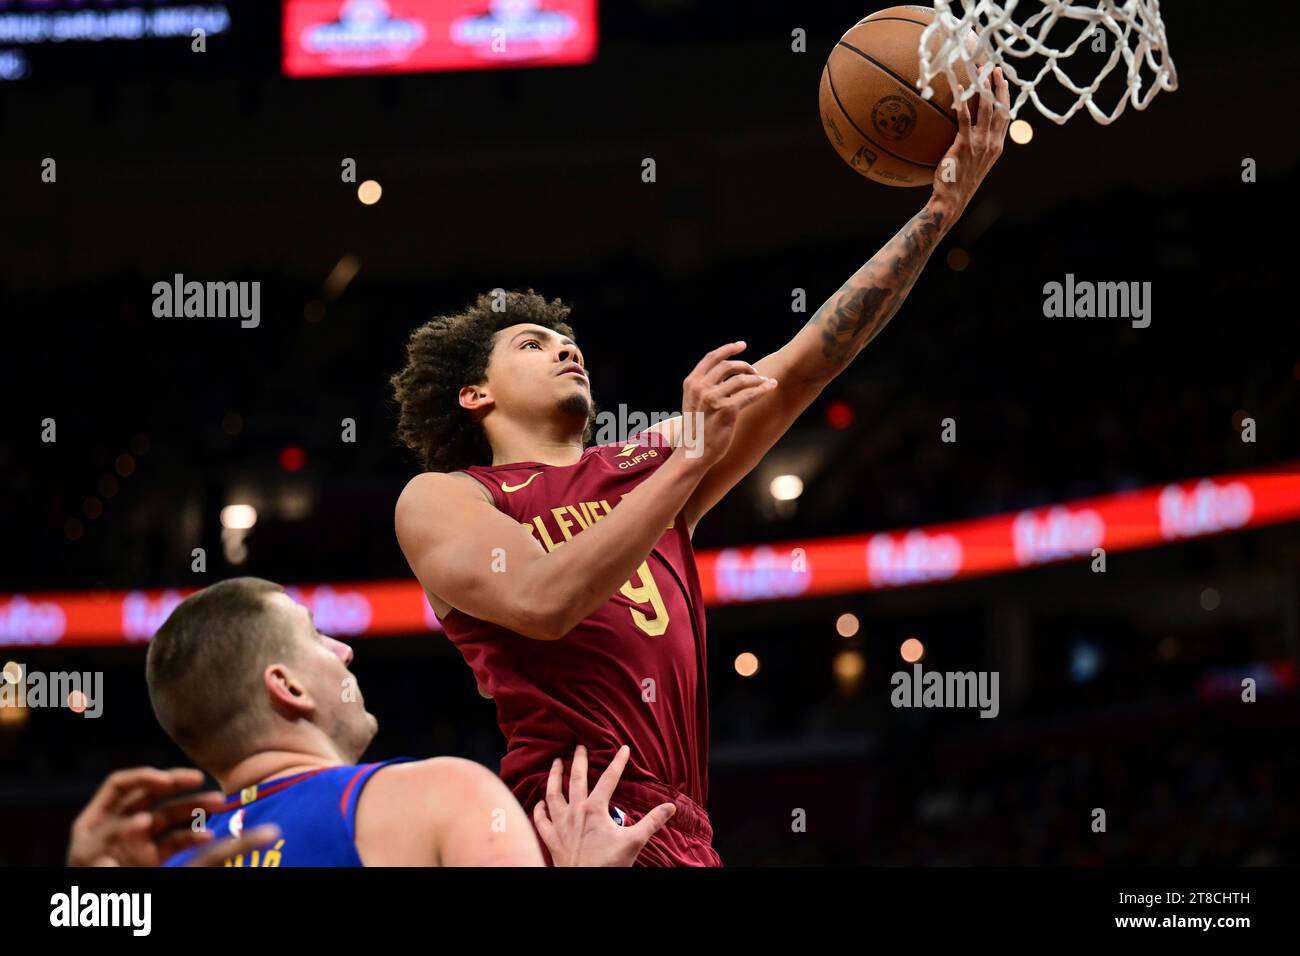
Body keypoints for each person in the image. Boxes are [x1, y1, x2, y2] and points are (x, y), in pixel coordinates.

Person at [390, 71, 1012, 865]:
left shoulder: (642, 462)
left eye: (565, 340)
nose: (565, 348)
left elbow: (809, 363)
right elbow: (541, 600)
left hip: (687, 823)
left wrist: (936, 214)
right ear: (474, 394)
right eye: (532, 345)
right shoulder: (446, 496)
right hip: (573, 820)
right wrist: (688, 461)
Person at [82, 576, 666, 866]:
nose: (344, 652)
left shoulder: (167, 865)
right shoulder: (440, 794)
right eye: (316, 636)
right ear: (286, 685)